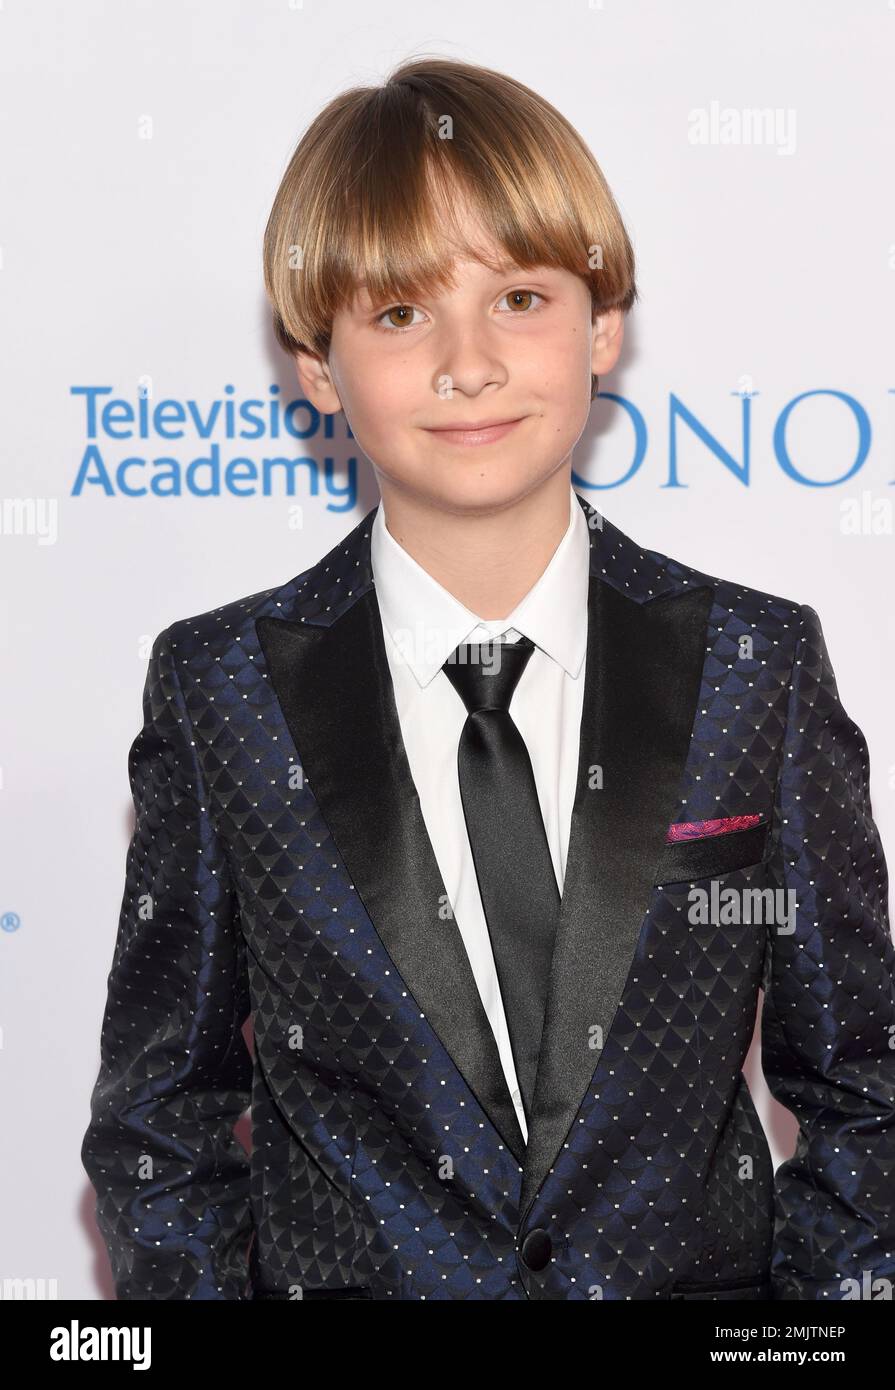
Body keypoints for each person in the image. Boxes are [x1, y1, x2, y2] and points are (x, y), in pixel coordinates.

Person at [81, 56, 895, 1301]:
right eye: (401, 314)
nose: (468, 363)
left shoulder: (753, 665)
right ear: (317, 366)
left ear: (602, 323)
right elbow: (159, 1122)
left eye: (518, 297)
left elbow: (866, 1087)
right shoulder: (222, 691)